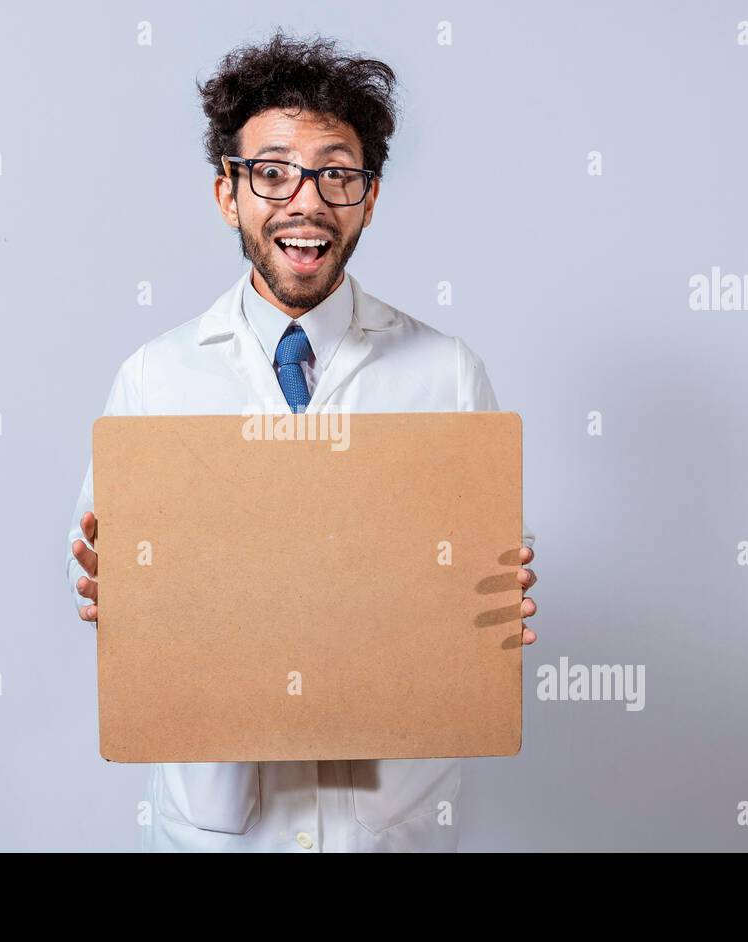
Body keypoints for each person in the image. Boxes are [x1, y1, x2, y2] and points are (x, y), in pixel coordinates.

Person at [67, 32, 538, 852]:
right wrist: (114, 586)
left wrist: (496, 595)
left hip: (388, 829)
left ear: (370, 196)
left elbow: (481, 568)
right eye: (273, 171)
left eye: (337, 172)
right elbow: (110, 573)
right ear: (228, 193)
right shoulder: (154, 378)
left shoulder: (448, 374)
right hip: (219, 828)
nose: (306, 201)